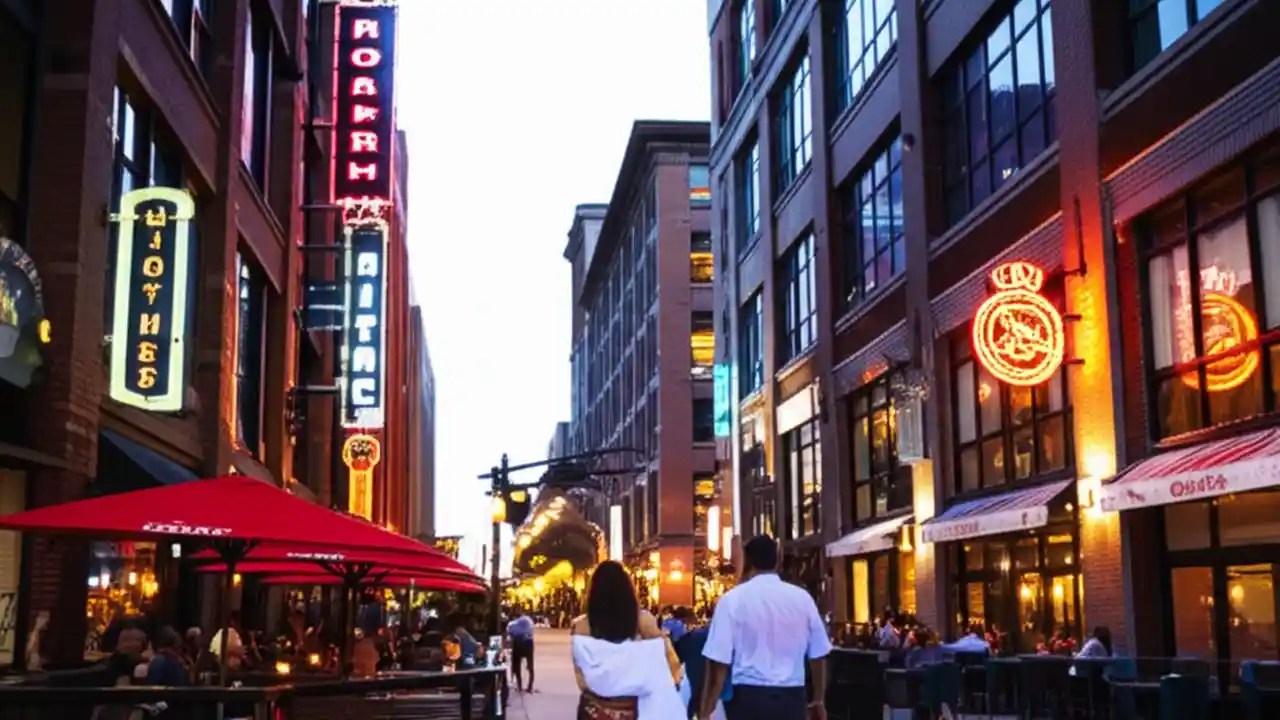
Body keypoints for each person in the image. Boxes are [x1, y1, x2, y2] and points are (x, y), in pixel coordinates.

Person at [699, 536, 831, 720]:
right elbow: (818, 655)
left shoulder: (732, 600)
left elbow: (718, 663)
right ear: (777, 560)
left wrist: (707, 709)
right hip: (791, 698)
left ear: (748, 561)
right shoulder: (802, 599)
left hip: (748, 697)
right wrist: (818, 700)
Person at [571, 560, 684, 720]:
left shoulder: (582, 627)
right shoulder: (644, 622)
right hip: (635, 710)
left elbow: (581, 678)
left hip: (593, 711)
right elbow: (670, 663)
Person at [506, 606, 536, 693]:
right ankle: (530, 687)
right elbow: (531, 631)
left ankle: (519, 686)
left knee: (516, 665)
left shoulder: (511, 624)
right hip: (528, 643)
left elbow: (509, 635)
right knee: (530, 665)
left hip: (517, 644)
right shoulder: (529, 620)